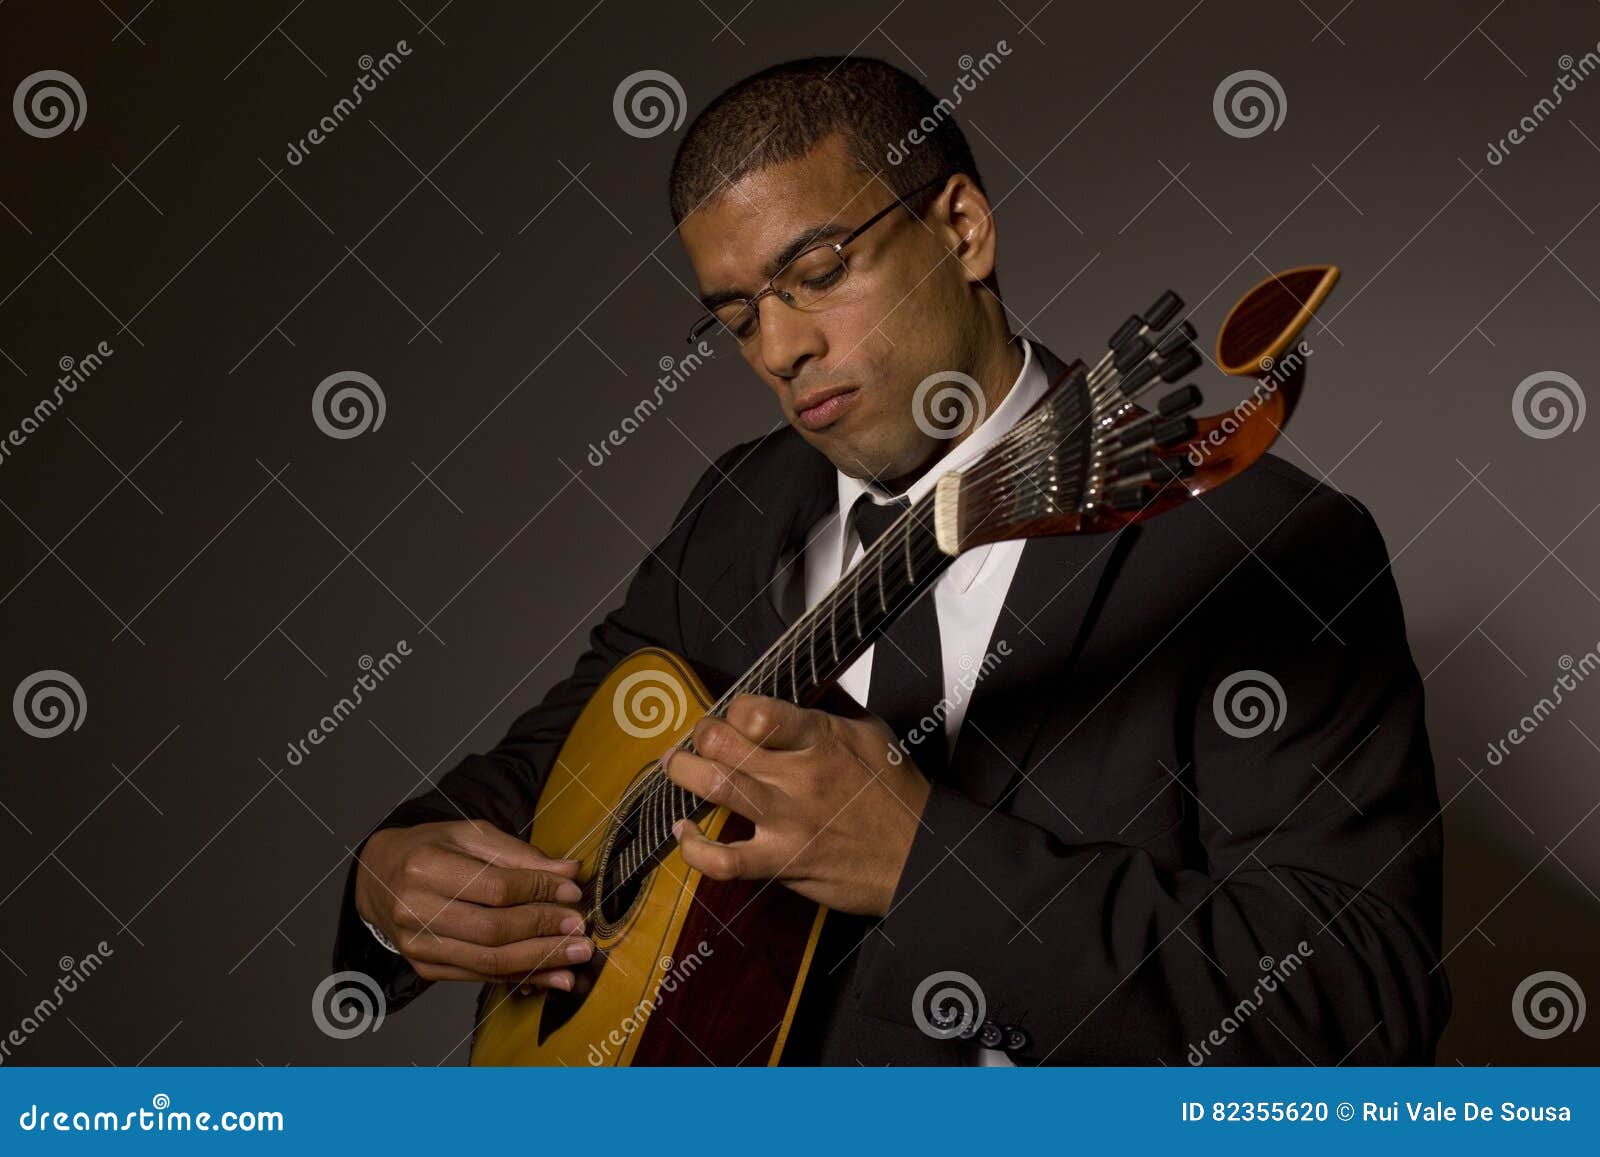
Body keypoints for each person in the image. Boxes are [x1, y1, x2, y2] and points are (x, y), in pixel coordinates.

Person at [331, 56, 1451, 1064]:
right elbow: (558, 762)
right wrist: (390, 884)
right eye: (735, 317)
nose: (779, 348)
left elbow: (1353, 1011)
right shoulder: (738, 507)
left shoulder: (1255, 545)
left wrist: (928, 859)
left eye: (817, 272)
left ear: (960, 227)